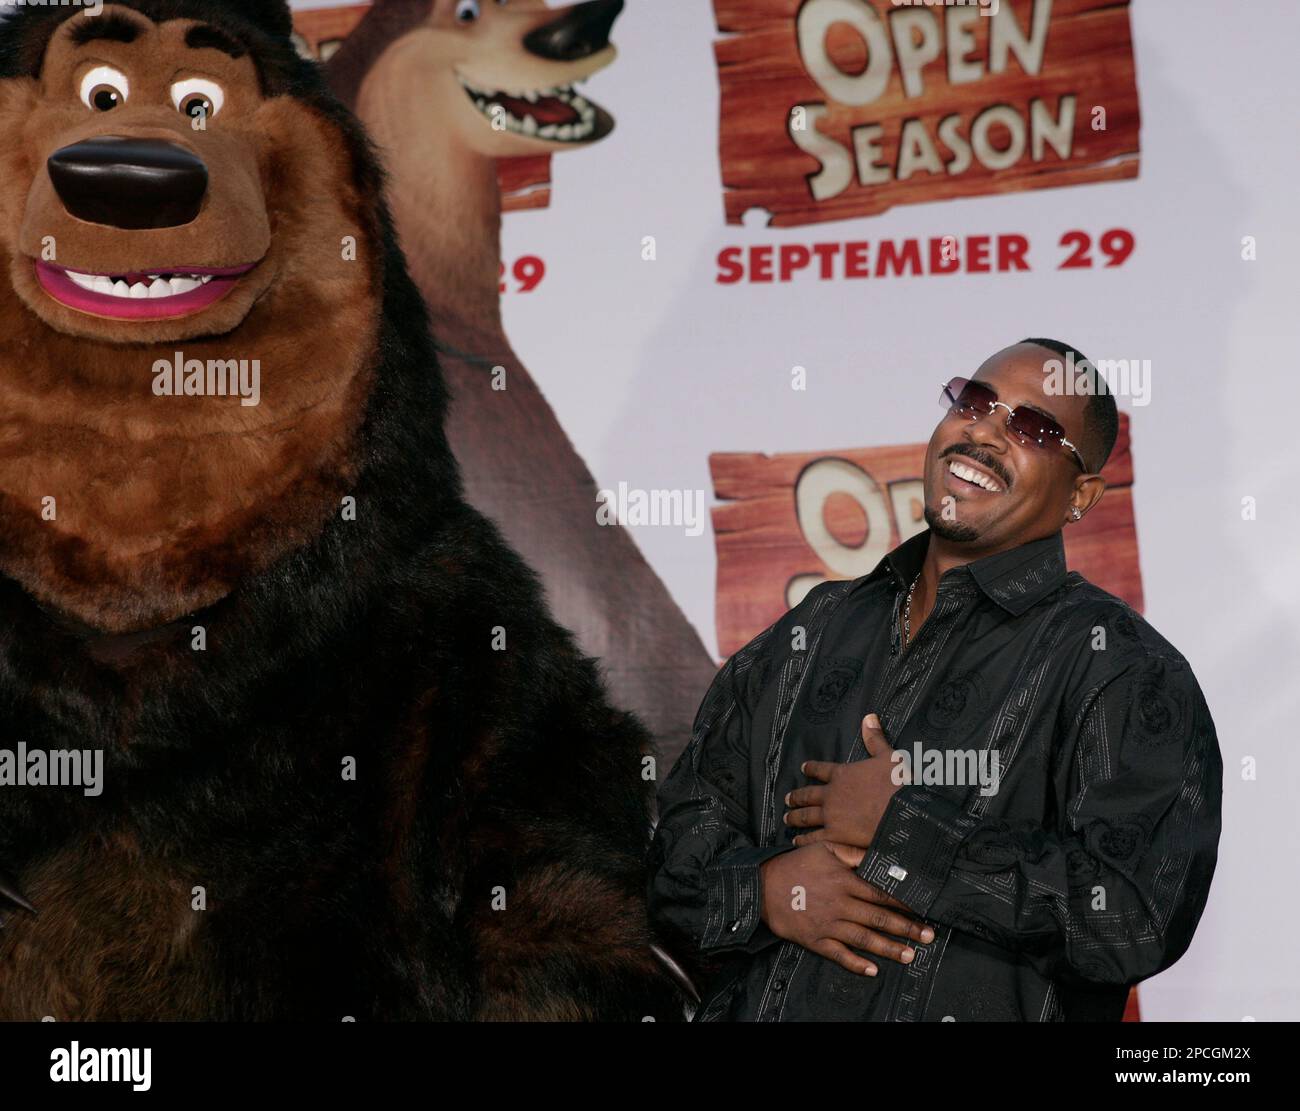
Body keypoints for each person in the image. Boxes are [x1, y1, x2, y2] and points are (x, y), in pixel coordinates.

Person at [647, 339, 1222, 1021]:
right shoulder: (814, 629)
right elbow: (674, 849)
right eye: (976, 401)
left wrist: (906, 832)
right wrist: (767, 891)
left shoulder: (1122, 666)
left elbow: (1134, 916)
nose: (983, 430)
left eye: (1034, 428)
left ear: (1081, 495)